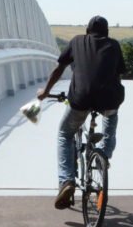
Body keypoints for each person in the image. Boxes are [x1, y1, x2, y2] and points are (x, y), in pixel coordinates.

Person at [38, 15, 126, 208]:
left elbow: (59, 68)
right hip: (109, 99)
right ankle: (103, 157)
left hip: (81, 99)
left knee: (64, 134)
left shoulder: (77, 41)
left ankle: (66, 181)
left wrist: (45, 91)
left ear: (87, 31)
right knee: (110, 125)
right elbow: (119, 73)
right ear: (107, 32)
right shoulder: (114, 45)